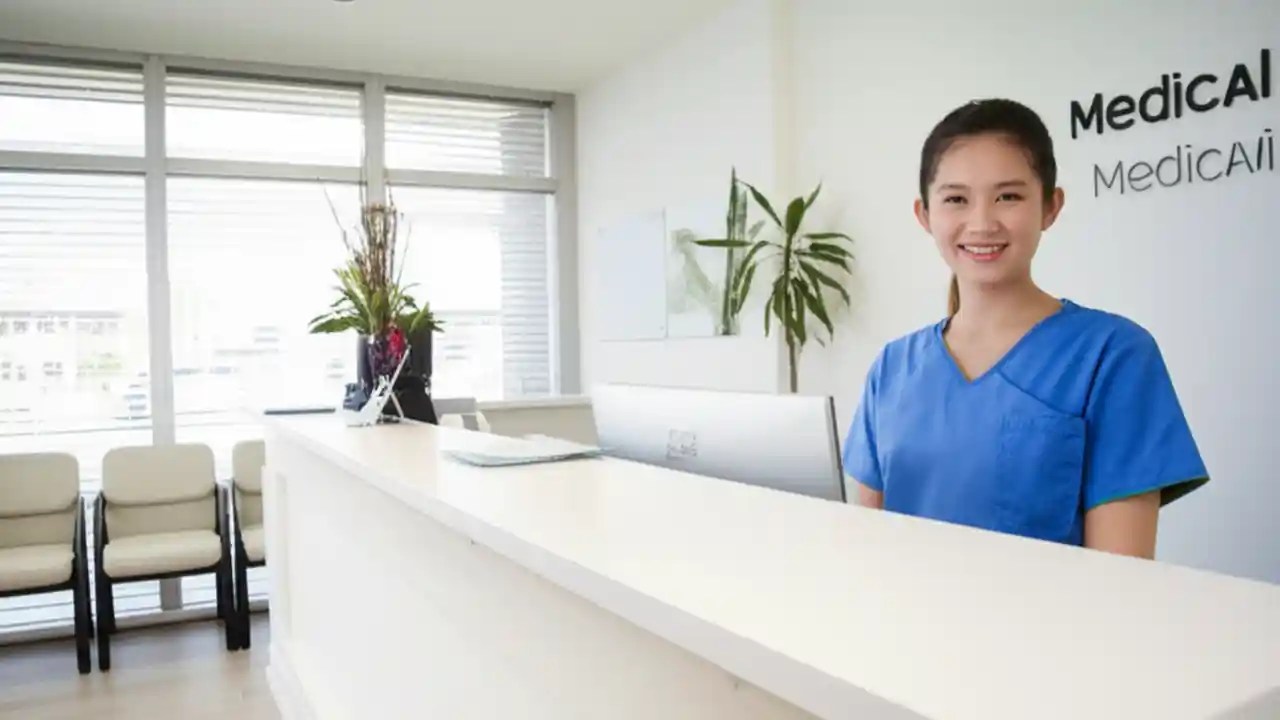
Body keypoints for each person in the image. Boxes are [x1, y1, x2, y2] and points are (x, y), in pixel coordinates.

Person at [842, 98, 1208, 559]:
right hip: (903, 625)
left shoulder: (1112, 356)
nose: (981, 223)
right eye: (956, 199)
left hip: (1051, 630)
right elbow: (870, 551)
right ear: (924, 214)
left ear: (1050, 207)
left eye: (1009, 196)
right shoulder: (892, 368)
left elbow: (1122, 583)